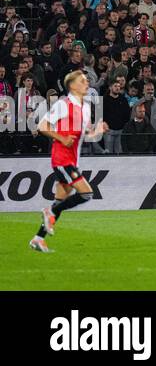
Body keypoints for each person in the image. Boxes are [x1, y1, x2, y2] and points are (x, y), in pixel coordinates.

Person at [31, 70, 108, 253]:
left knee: (60, 201)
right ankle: (49, 211)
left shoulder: (86, 107)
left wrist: (97, 132)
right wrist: (61, 138)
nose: (86, 83)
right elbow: (42, 126)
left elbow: (85, 135)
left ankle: (38, 239)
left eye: (86, 80)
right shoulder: (63, 104)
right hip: (61, 158)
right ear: (72, 86)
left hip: (73, 159)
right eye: (82, 81)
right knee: (86, 193)